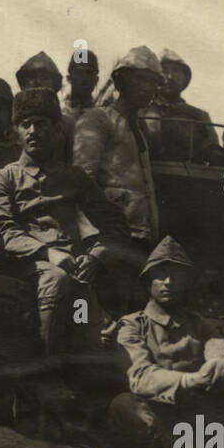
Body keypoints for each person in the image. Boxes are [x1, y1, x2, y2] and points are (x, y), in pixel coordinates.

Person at [107, 237, 224, 448]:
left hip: (192, 413)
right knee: (123, 405)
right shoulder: (132, 324)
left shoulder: (198, 324)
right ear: (149, 281)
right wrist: (187, 380)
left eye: (176, 277)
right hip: (154, 415)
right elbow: (140, 376)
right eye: (161, 275)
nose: (168, 282)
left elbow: (219, 348)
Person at [0, 88, 130, 359]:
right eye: (25, 125)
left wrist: (95, 257)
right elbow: (4, 230)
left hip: (75, 268)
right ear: (16, 131)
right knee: (57, 279)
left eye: (40, 124)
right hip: (26, 266)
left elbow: (116, 225)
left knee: (88, 324)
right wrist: (47, 253)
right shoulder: (4, 178)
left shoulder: (75, 178)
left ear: (57, 129)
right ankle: (44, 373)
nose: (32, 131)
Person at [71, 46, 164, 313]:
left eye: (152, 82)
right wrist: (93, 244)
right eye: (139, 79)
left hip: (139, 239)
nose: (147, 88)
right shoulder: (97, 119)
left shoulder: (139, 129)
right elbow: (82, 181)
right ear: (121, 81)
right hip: (110, 239)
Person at [143, 49, 224, 165]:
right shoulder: (141, 111)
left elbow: (212, 148)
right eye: (164, 71)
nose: (170, 77)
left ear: (185, 78)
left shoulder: (199, 115)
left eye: (176, 71)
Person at [61, 49, 99, 120]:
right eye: (79, 73)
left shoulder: (104, 117)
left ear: (96, 80)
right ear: (69, 78)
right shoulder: (59, 113)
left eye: (89, 73)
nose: (84, 78)